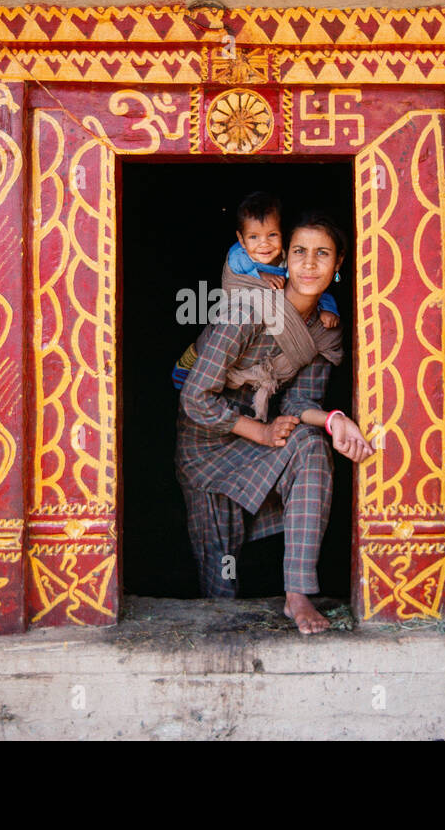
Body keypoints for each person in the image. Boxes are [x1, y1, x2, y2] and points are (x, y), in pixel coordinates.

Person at [175, 211, 375, 634]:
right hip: (209, 439)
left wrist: (336, 420)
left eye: (322, 254)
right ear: (284, 258)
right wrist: (261, 432)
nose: (308, 264)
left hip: (261, 436)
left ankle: (298, 593)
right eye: (299, 251)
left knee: (312, 444)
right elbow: (195, 397)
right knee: (219, 559)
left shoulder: (326, 331)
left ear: (339, 264)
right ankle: (217, 639)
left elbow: (302, 400)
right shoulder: (247, 311)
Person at [171, 192, 339, 390]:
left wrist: (330, 310)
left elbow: (314, 290)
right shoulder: (239, 255)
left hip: (265, 339)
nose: (264, 244)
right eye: (254, 237)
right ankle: (196, 354)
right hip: (232, 316)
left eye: (272, 235)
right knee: (219, 330)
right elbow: (236, 276)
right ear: (241, 240)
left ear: (283, 235)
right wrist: (260, 275)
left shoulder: (290, 259)